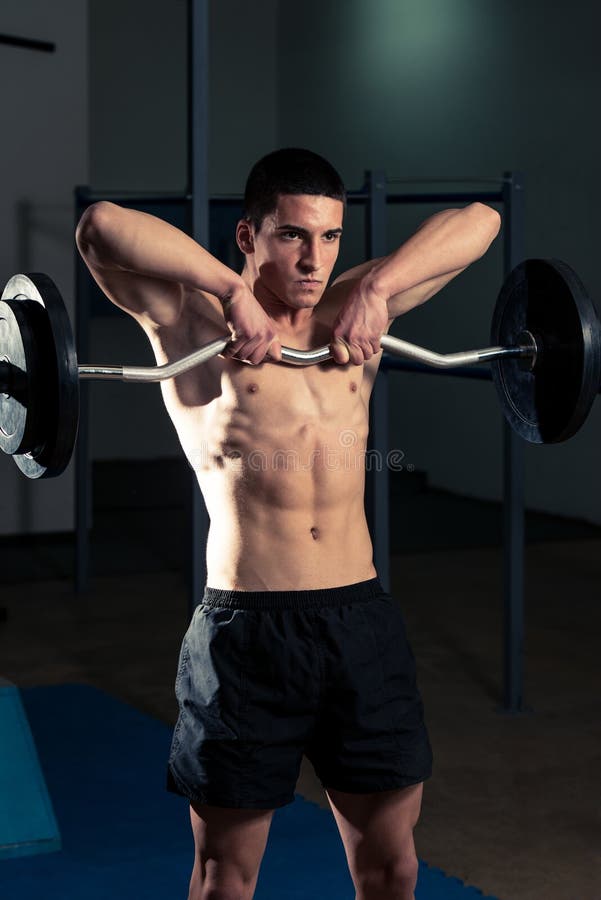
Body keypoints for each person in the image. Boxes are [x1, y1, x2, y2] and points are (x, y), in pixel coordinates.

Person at [76, 148, 501, 900]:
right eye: (292, 236)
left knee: (392, 866)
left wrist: (380, 286)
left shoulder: (353, 312)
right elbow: (101, 227)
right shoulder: (190, 321)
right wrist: (226, 291)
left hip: (357, 618)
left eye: (330, 237)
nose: (313, 258)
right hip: (247, 631)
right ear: (248, 237)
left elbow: (481, 221)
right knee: (224, 878)